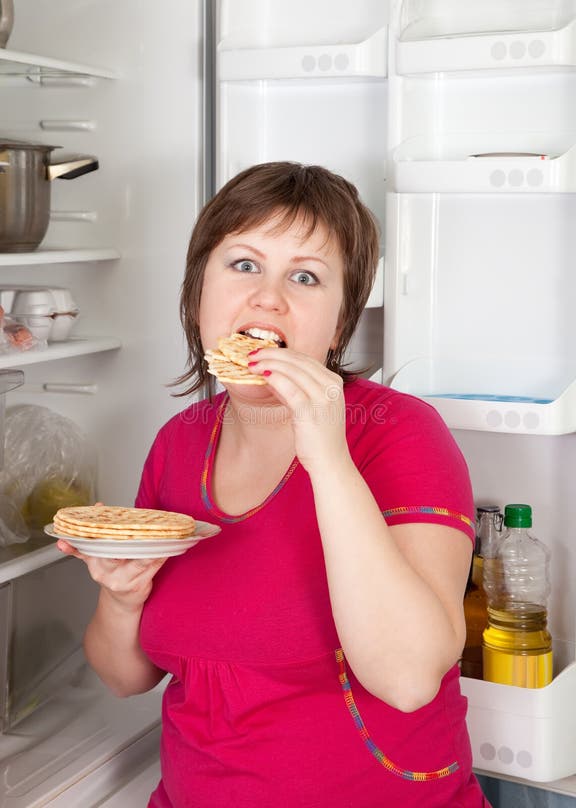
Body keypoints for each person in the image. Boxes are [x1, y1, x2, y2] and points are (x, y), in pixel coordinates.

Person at [57, 162, 490, 807]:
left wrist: (327, 456)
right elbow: (126, 678)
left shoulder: (401, 433)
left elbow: (407, 678)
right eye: (243, 264)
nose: (268, 297)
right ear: (197, 295)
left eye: (306, 276)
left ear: (339, 324)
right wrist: (121, 600)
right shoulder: (180, 443)